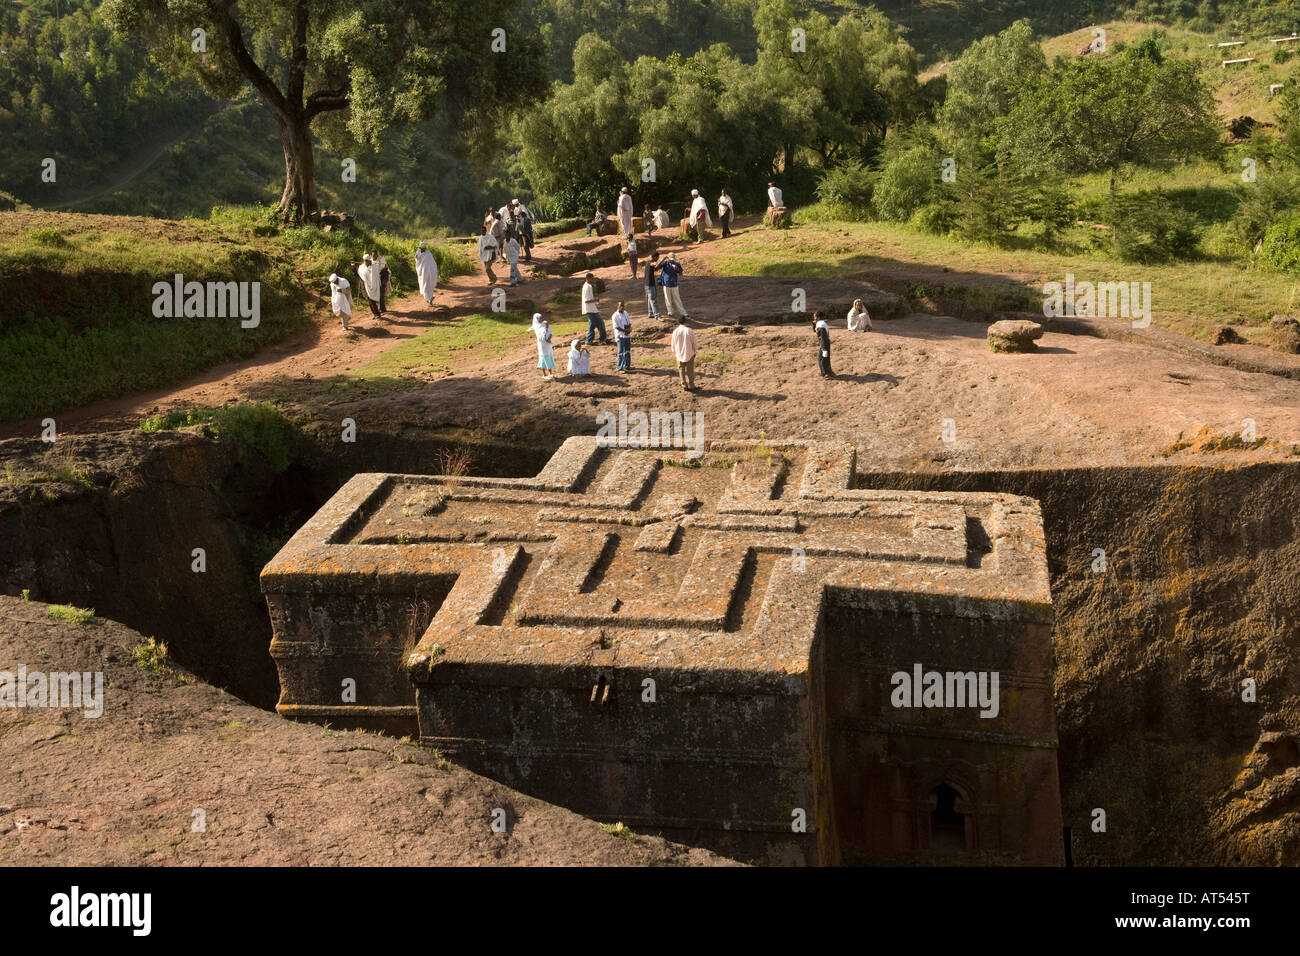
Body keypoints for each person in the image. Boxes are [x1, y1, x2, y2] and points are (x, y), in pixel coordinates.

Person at [581, 272, 609, 345]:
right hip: (590, 309)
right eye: (592, 278)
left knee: (592, 325)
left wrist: (594, 299)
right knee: (600, 324)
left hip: (591, 309)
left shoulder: (587, 286)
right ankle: (602, 339)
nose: (593, 280)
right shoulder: (587, 287)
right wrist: (595, 300)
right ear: (589, 278)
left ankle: (590, 340)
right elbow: (586, 300)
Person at [671, 315, 698, 391]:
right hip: (689, 352)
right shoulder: (689, 330)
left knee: (681, 370)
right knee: (690, 370)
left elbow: (673, 343)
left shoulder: (675, 331)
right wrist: (695, 350)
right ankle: (692, 385)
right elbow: (694, 342)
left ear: (678, 322)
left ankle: (684, 385)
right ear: (685, 322)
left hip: (679, 354)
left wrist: (674, 351)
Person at [659, 252, 687, 319]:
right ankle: (670, 311)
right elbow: (657, 268)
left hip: (674, 284)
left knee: (677, 299)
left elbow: (681, 273)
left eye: (673, 259)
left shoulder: (677, 263)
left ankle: (683, 312)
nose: (672, 260)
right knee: (667, 299)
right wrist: (662, 260)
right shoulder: (665, 263)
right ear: (668, 258)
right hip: (666, 284)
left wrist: (676, 268)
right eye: (670, 259)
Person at [414, 241, 438, 306]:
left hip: (429, 272)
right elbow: (417, 262)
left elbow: (432, 263)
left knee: (429, 285)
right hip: (422, 273)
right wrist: (417, 257)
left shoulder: (428, 253)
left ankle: (430, 298)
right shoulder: (417, 253)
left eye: (424, 248)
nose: (423, 250)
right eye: (422, 248)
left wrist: (433, 271)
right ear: (420, 248)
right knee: (424, 284)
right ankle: (428, 298)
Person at [533, 313, 556, 380]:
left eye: (541, 317)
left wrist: (549, 337)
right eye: (539, 318)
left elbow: (550, 331)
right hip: (542, 345)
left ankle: (550, 373)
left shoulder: (545, 323)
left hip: (548, 344)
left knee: (549, 356)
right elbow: (540, 337)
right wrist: (546, 329)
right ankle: (544, 374)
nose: (541, 319)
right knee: (543, 358)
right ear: (536, 319)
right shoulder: (536, 327)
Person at [612, 301, 632, 372]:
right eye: (621, 306)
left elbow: (629, 322)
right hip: (620, 335)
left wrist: (629, 329)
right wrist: (624, 331)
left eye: (623, 306)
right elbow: (616, 327)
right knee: (621, 352)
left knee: (627, 351)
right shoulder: (615, 315)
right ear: (617, 306)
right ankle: (619, 368)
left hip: (627, 335)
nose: (622, 307)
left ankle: (627, 366)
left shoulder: (626, 313)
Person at [644, 251, 662, 320]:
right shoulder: (649, 263)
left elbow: (656, 268)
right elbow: (652, 264)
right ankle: (657, 315)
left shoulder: (648, 263)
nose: (657, 259)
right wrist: (657, 262)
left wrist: (662, 260)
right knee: (653, 299)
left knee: (649, 299)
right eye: (657, 258)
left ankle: (650, 313)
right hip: (649, 284)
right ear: (655, 257)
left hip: (647, 284)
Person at [814, 312, 833, 378]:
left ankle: (826, 374)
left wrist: (824, 347)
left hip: (824, 343)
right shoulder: (822, 323)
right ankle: (828, 372)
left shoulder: (820, 325)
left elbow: (822, 337)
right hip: (825, 342)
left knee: (821, 359)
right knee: (825, 358)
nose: (814, 318)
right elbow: (816, 331)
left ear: (818, 317)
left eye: (815, 317)